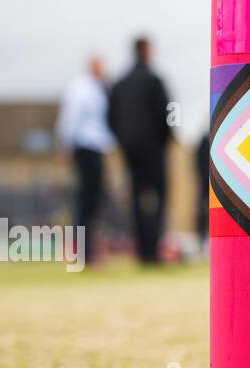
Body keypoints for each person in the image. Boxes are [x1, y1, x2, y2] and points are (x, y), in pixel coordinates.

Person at [109, 37, 172, 264]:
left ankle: (141, 251)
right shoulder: (154, 80)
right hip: (153, 148)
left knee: (136, 198)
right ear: (146, 51)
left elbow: (111, 116)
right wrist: (166, 140)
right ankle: (153, 249)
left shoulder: (120, 83)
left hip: (130, 149)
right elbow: (168, 112)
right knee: (158, 196)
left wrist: (122, 140)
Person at [56, 58, 116, 264]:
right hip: (84, 147)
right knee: (85, 201)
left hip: (95, 148)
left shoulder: (99, 90)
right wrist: (66, 145)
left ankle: (88, 250)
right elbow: (70, 117)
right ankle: (82, 252)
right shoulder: (81, 88)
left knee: (94, 201)